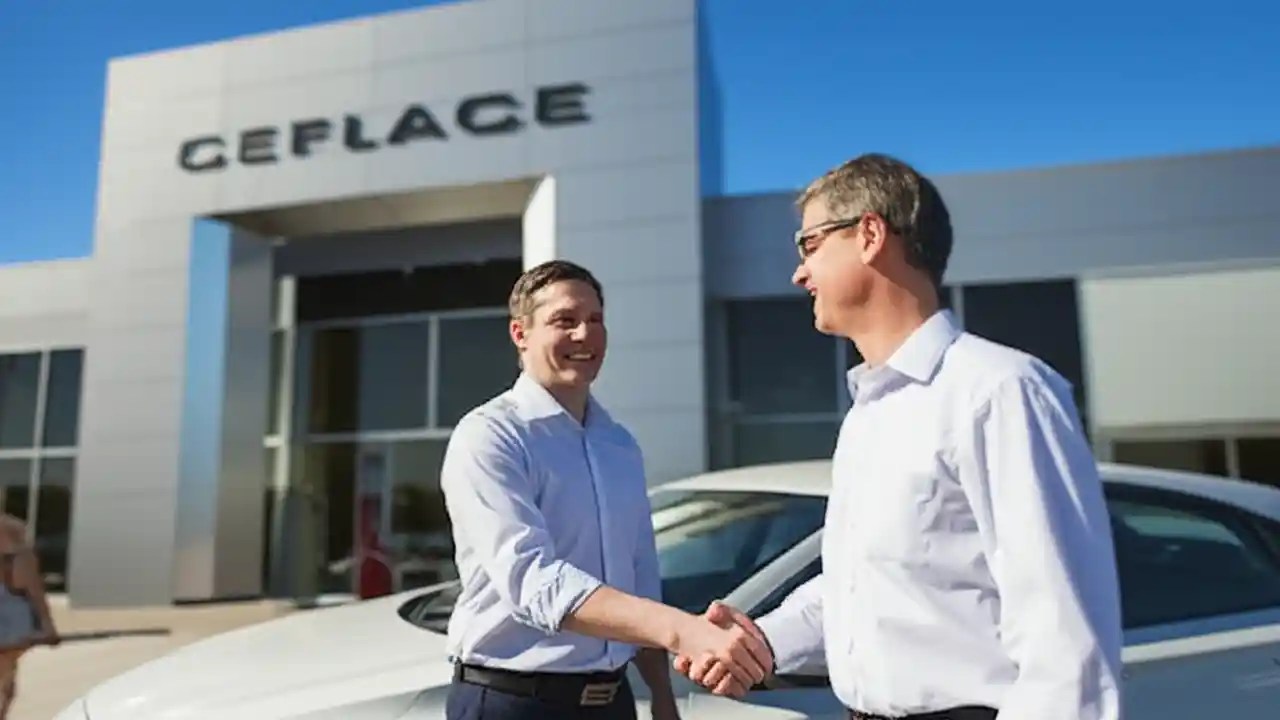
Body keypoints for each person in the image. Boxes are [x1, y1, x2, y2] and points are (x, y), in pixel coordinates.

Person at [674, 154, 1124, 720]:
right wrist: (761, 643)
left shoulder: (1000, 390)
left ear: (869, 234)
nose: (798, 273)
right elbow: (860, 588)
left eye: (808, 245)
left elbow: (1066, 635)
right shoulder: (870, 412)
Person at [441, 260, 771, 720]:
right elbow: (532, 581)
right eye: (565, 320)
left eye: (595, 320)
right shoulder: (491, 436)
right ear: (520, 334)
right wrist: (681, 631)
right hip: (512, 703)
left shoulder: (618, 444)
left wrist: (661, 693)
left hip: (612, 703)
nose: (585, 335)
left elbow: (638, 575)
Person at [0, 514, 61, 719]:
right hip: (8, 616)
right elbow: (28, 581)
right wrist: (47, 625)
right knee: (5, 682)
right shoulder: (11, 531)